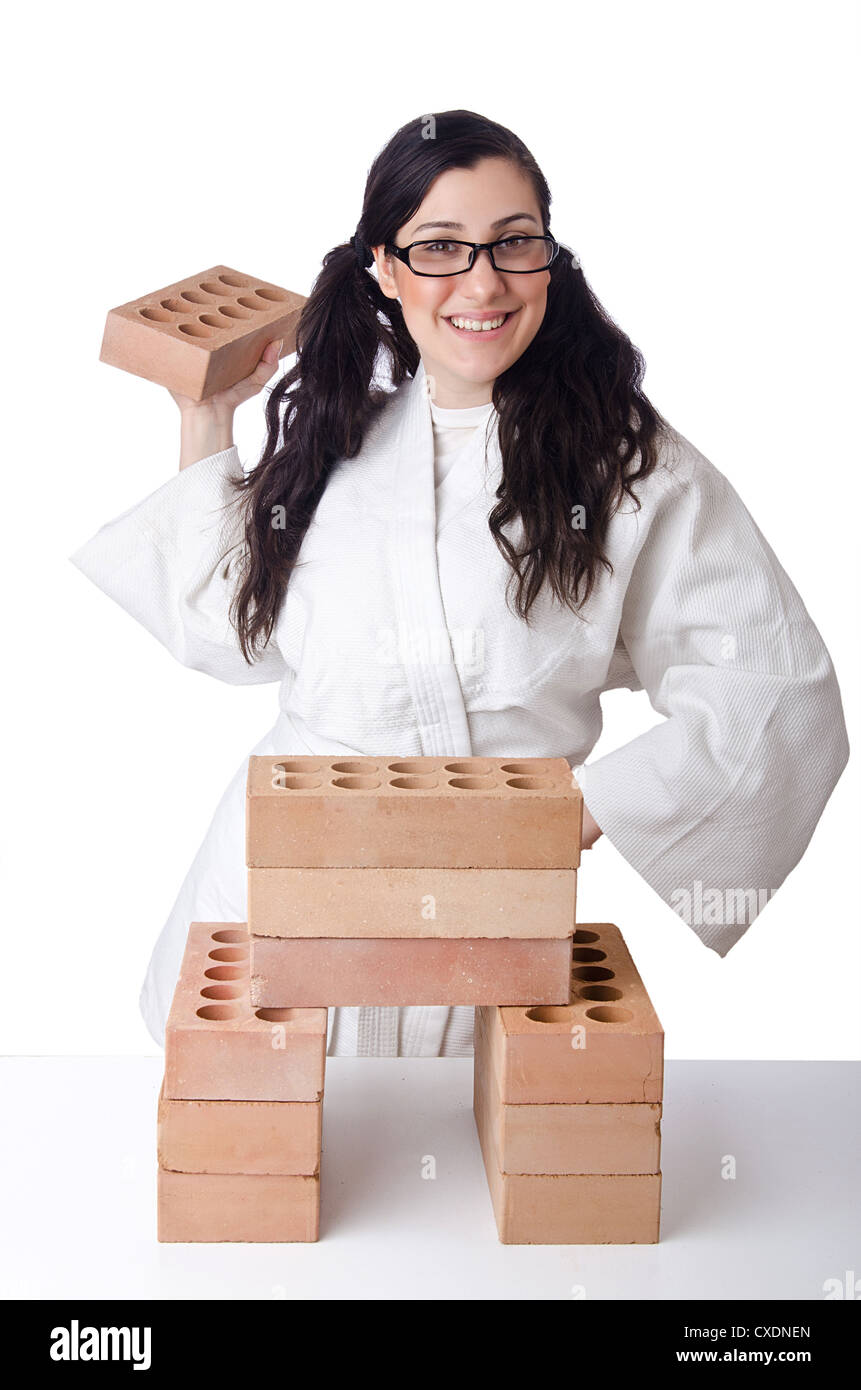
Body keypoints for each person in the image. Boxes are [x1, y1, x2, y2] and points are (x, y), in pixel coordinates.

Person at [70, 109, 849, 1056]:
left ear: (550, 262)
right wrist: (208, 421)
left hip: (488, 938)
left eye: (514, 244)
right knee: (250, 1166)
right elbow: (232, 638)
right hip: (274, 903)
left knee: (485, 1174)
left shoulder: (628, 469)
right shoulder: (333, 436)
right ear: (384, 270)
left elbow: (775, 692)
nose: (482, 282)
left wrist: (574, 816)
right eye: (439, 247)